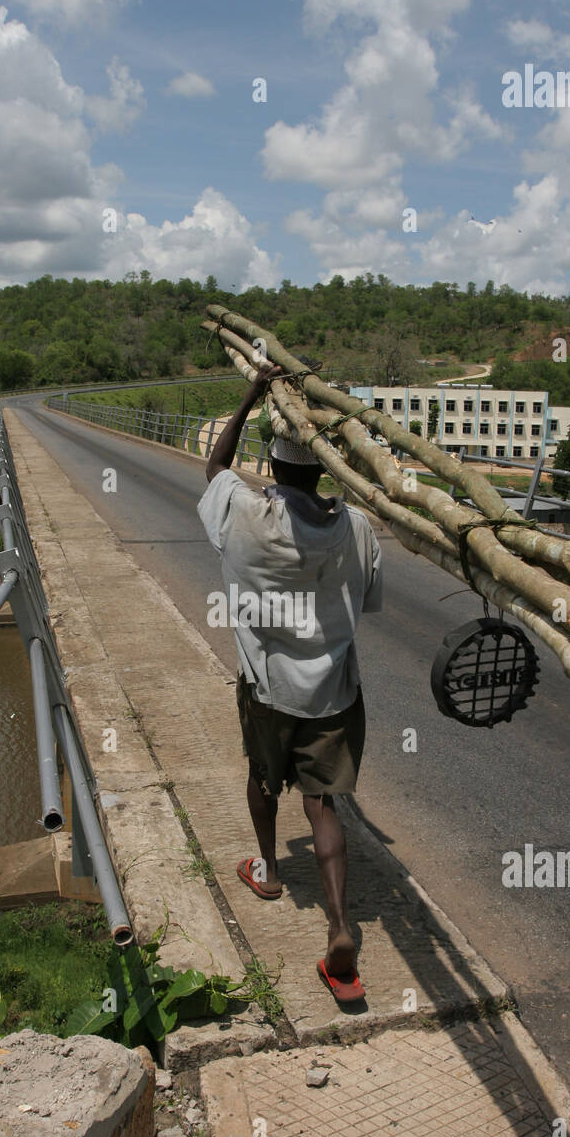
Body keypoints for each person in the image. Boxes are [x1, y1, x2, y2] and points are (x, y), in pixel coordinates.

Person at [197, 364, 382, 1003]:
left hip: (268, 686)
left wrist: (251, 392)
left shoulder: (245, 516)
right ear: (325, 468)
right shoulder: (356, 528)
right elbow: (371, 600)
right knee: (324, 801)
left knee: (262, 775)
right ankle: (338, 928)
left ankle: (269, 870)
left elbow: (215, 469)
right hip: (334, 691)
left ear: (272, 469)